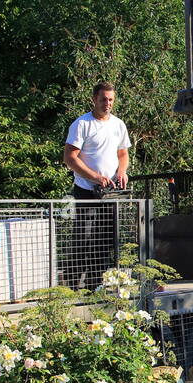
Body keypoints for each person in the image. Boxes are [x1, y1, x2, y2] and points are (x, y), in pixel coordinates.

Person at [63, 83, 131, 291]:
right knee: (83, 236)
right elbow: (70, 158)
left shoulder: (118, 124)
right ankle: (72, 285)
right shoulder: (82, 124)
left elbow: (123, 154)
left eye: (110, 99)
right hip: (85, 189)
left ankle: (95, 284)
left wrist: (122, 171)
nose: (107, 103)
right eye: (103, 99)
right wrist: (94, 176)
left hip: (109, 191)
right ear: (94, 99)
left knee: (104, 239)